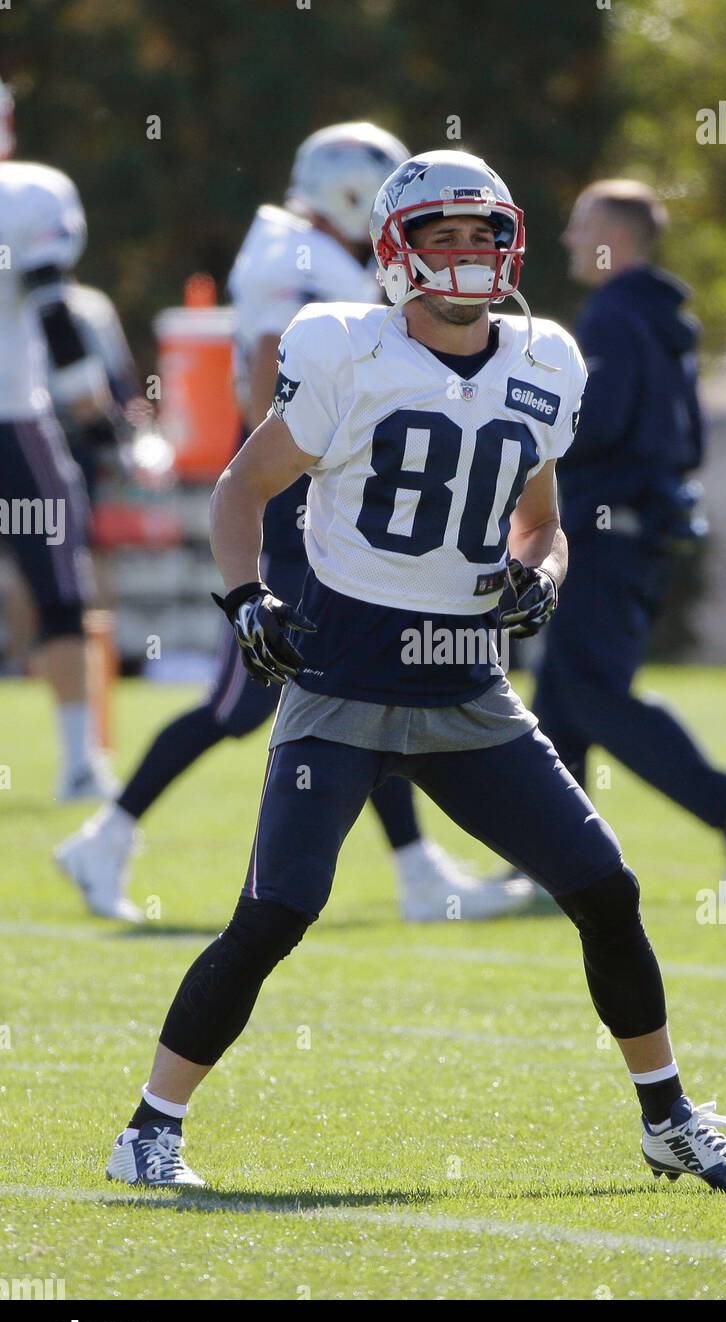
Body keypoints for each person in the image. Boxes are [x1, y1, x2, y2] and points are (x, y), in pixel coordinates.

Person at [103, 150, 726, 1195]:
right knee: (275, 912)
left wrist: (538, 576)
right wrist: (245, 602)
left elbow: (543, 522)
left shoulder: (546, 358)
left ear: (508, 243)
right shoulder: (346, 348)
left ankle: (669, 1117)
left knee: (606, 888)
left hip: (469, 685)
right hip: (344, 674)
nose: (464, 255)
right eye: (440, 237)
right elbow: (243, 488)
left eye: (480, 235)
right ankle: (150, 1128)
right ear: (394, 251)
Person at [55, 123, 530, 924]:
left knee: (361, 680)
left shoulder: (308, 252)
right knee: (246, 702)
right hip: (300, 505)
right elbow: (273, 375)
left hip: (323, 499)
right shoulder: (292, 257)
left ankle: (417, 871)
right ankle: (105, 836)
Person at [534, 179, 726, 893]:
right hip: (644, 527)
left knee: (591, 692)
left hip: (605, 528)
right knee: (559, 703)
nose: (569, 240)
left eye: (582, 226)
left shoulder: (612, 314)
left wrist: (526, 445)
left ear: (614, 236)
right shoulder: (664, 318)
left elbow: (598, 425)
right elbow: (688, 438)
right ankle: (560, 864)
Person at [0, 77, 121, 800]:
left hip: (16, 412)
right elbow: (52, 311)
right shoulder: (31, 196)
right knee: (58, 587)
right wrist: (91, 409)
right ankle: (80, 762)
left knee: (60, 589)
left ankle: (80, 759)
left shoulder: (27, 197)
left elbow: (52, 307)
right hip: (17, 416)